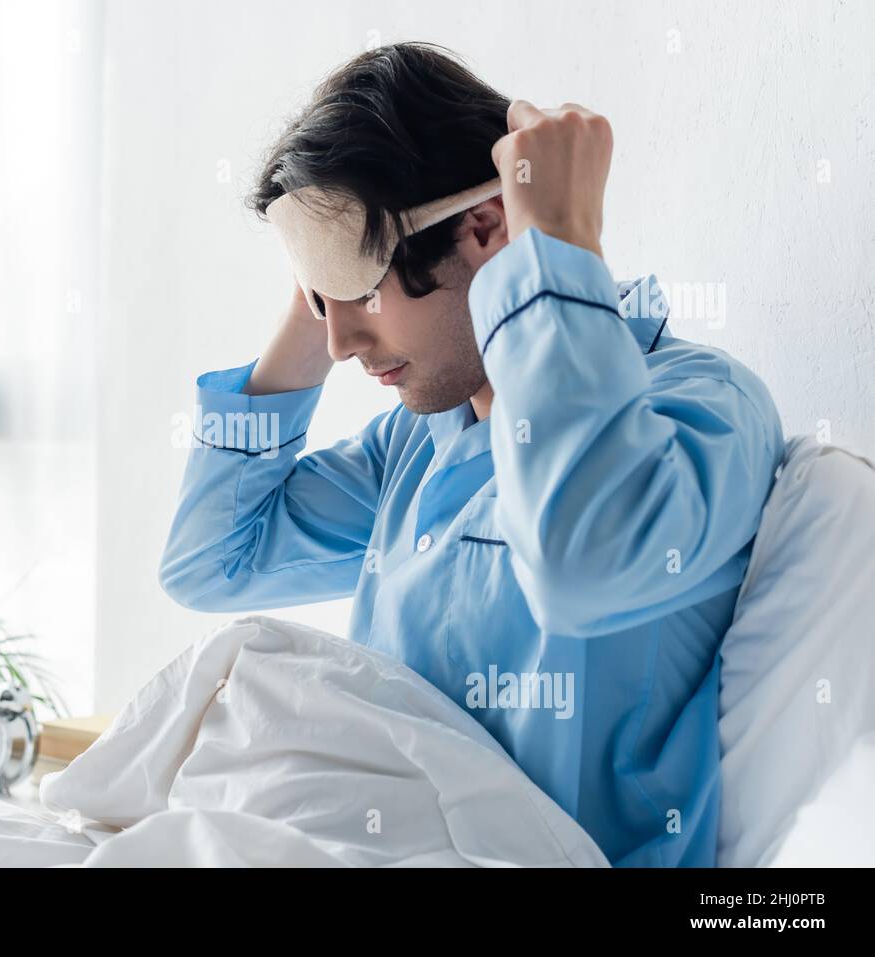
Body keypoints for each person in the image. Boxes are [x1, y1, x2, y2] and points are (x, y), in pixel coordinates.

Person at [157, 42, 785, 867]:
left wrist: (557, 244)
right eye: (320, 299)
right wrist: (327, 282)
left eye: (362, 293)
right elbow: (211, 562)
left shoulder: (702, 408)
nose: (340, 344)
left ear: (487, 228)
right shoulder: (419, 443)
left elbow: (580, 565)